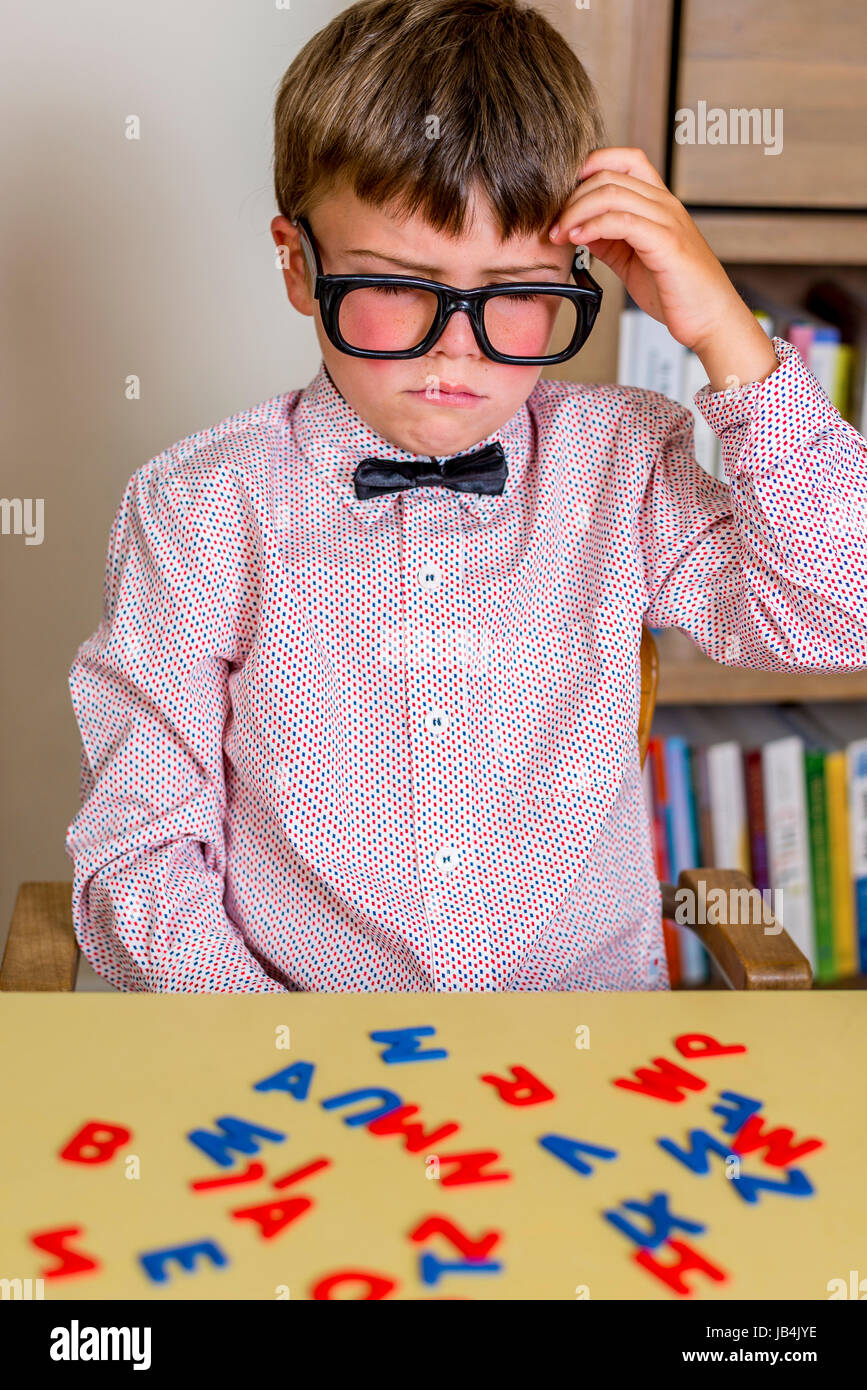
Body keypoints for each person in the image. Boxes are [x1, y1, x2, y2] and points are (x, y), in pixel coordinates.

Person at [66, 0, 867, 992]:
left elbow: (842, 613)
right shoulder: (196, 509)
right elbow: (142, 843)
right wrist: (268, 1045)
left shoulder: (626, 463)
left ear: (577, 275)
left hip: (580, 1066)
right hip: (300, 1060)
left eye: (513, 292)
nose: (457, 348)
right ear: (298, 262)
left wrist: (726, 332)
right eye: (402, 284)